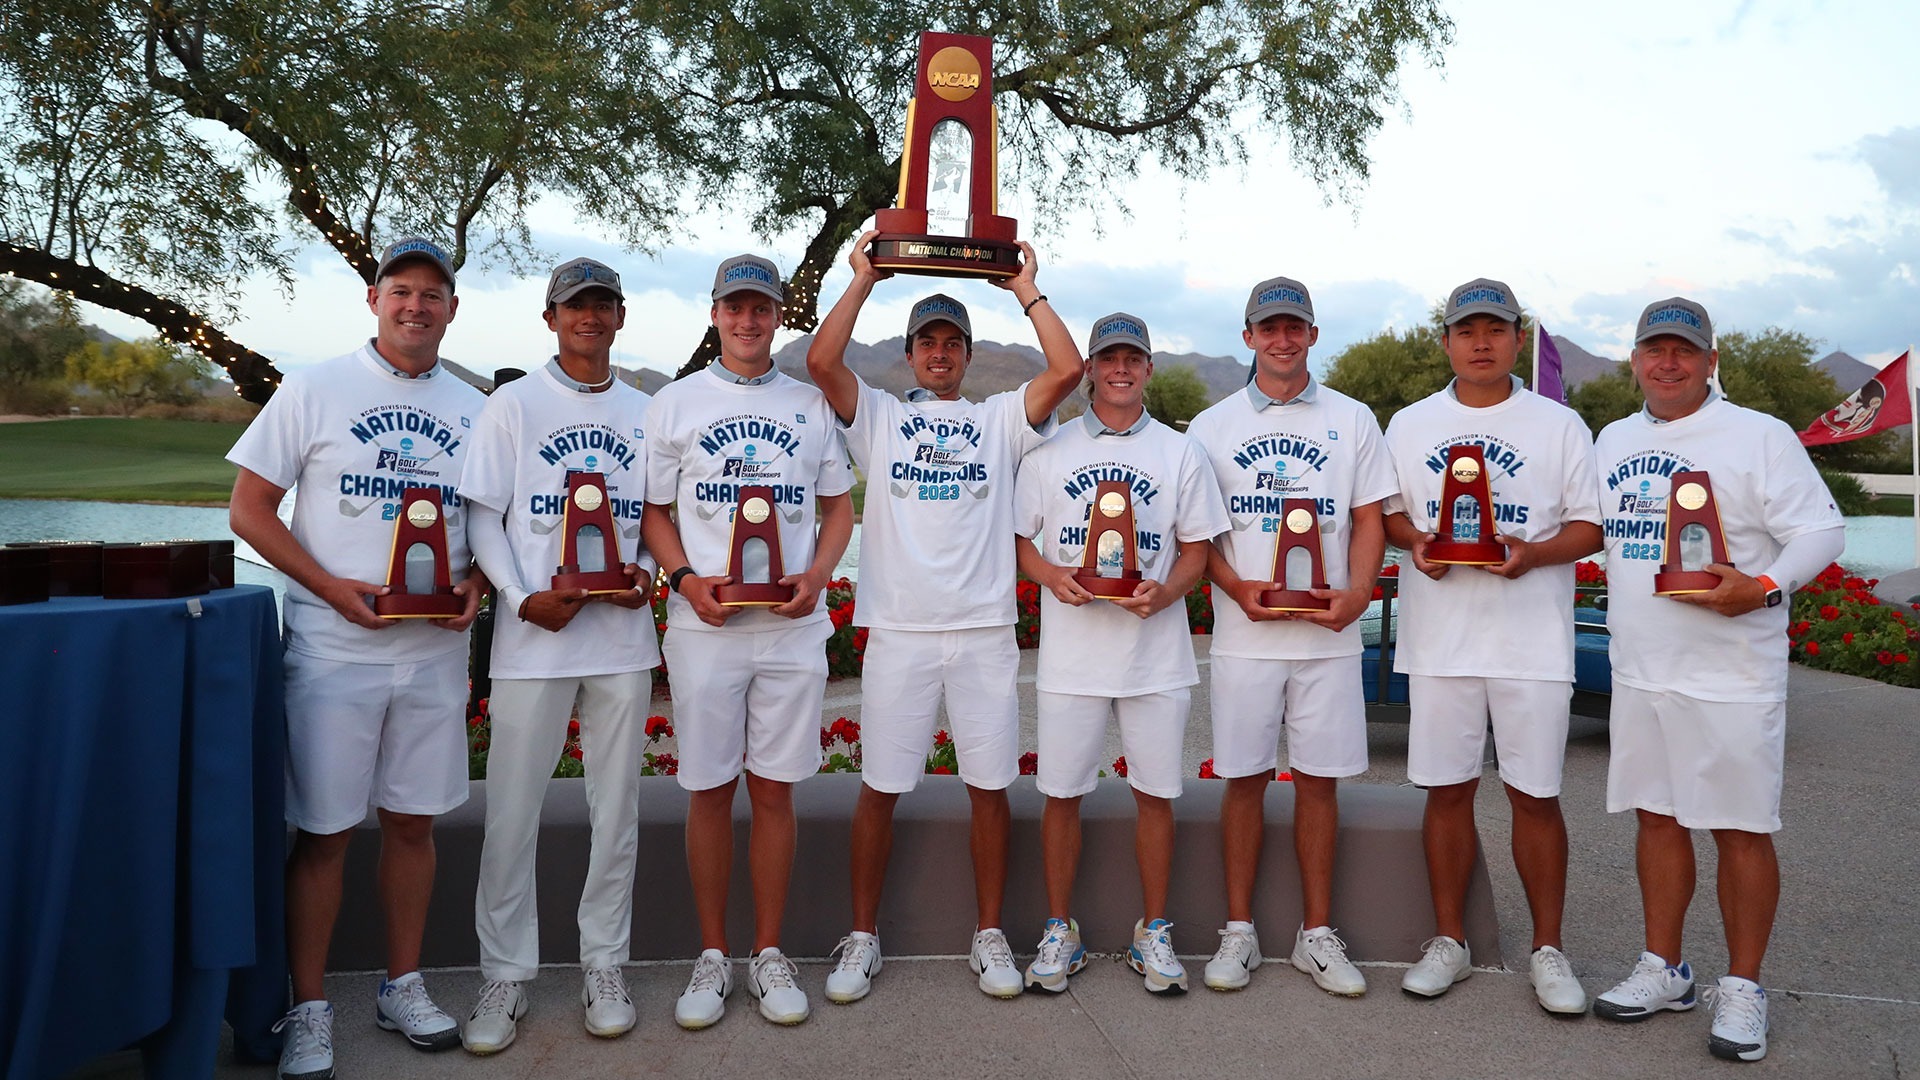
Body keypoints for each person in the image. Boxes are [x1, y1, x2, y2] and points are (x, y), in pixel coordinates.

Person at [227, 238, 485, 1080]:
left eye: (432, 294)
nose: (416, 306)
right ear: (374, 301)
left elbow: (492, 522)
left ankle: (401, 984)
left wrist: (478, 582)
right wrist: (331, 587)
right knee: (326, 832)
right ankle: (307, 1007)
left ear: (453, 310)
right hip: (335, 647)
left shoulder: (475, 405)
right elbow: (252, 511)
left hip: (432, 651)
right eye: (400, 291)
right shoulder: (314, 388)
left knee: (414, 824)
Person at [802, 233, 1082, 1002]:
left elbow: (1067, 370)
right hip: (899, 633)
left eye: (951, 341)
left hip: (984, 633)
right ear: (909, 352)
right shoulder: (882, 419)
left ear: (965, 352)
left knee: (988, 787)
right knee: (881, 788)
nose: (939, 352)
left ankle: (988, 935)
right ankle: (863, 938)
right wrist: (862, 277)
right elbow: (822, 364)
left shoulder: (998, 419)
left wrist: (1025, 289)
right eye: (926, 340)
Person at [1590, 297, 1843, 1062]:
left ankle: (1743, 986)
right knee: (1657, 817)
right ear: (1634, 359)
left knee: (1740, 827)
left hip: (1733, 672)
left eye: (1684, 351)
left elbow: (1823, 529)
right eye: (1654, 349)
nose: (1668, 363)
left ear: (1710, 360)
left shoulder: (1758, 436)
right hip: (1642, 670)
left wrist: (1763, 587)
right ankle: (1665, 967)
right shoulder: (1612, 439)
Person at [640, 254, 856, 1029]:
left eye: (761, 308)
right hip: (709, 629)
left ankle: (767, 953)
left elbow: (838, 507)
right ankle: (710, 956)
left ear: (777, 317)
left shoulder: (809, 404)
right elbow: (654, 511)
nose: (747, 320)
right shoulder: (674, 404)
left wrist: (820, 576)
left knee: (774, 790)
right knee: (707, 787)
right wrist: (684, 580)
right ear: (714, 313)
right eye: (735, 307)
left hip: (790, 630)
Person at [1380, 278, 1600, 1014]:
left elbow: (1590, 526)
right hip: (1441, 641)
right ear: (1445, 341)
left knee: (1535, 796)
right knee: (1447, 793)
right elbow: (1388, 516)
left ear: (1516, 338)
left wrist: (1532, 553)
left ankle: (1548, 950)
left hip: (1531, 642)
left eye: (1496, 330)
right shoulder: (1409, 424)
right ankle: (1451, 941)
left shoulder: (1559, 425)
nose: (1481, 342)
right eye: (1467, 330)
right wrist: (1416, 543)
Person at [457, 258, 659, 1052]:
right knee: (510, 815)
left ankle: (604, 963)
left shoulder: (649, 411)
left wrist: (644, 571)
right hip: (532, 637)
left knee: (619, 812)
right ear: (551, 319)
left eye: (603, 304)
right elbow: (482, 517)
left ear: (620, 317)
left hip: (619, 640)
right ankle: (504, 974)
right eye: (576, 306)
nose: (590, 317)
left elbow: (654, 519)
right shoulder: (512, 404)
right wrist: (516, 597)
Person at [1185, 277, 1394, 995]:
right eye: (1268, 328)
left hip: (1327, 637)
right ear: (1248, 337)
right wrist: (1234, 587)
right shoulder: (1210, 427)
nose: (1281, 339)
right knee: (1241, 781)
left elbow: (1370, 517)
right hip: (1246, 635)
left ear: (1312, 335)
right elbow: (1198, 533)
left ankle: (1316, 934)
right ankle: (1238, 931)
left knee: (1319, 784)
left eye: (1293, 328)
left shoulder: (1354, 418)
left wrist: (1361, 592)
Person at [1012, 312, 1230, 995]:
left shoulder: (1181, 451)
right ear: (1091, 369)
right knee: (1061, 796)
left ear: (1148, 369)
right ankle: (1060, 930)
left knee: (1156, 795)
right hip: (1073, 657)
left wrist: (1166, 595)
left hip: (1153, 655)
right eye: (1109, 358)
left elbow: (1197, 550)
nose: (1121, 369)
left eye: (1133, 358)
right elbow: (1021, 539)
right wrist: (1051, 576)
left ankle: (1153, 931)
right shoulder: (1047, 452)